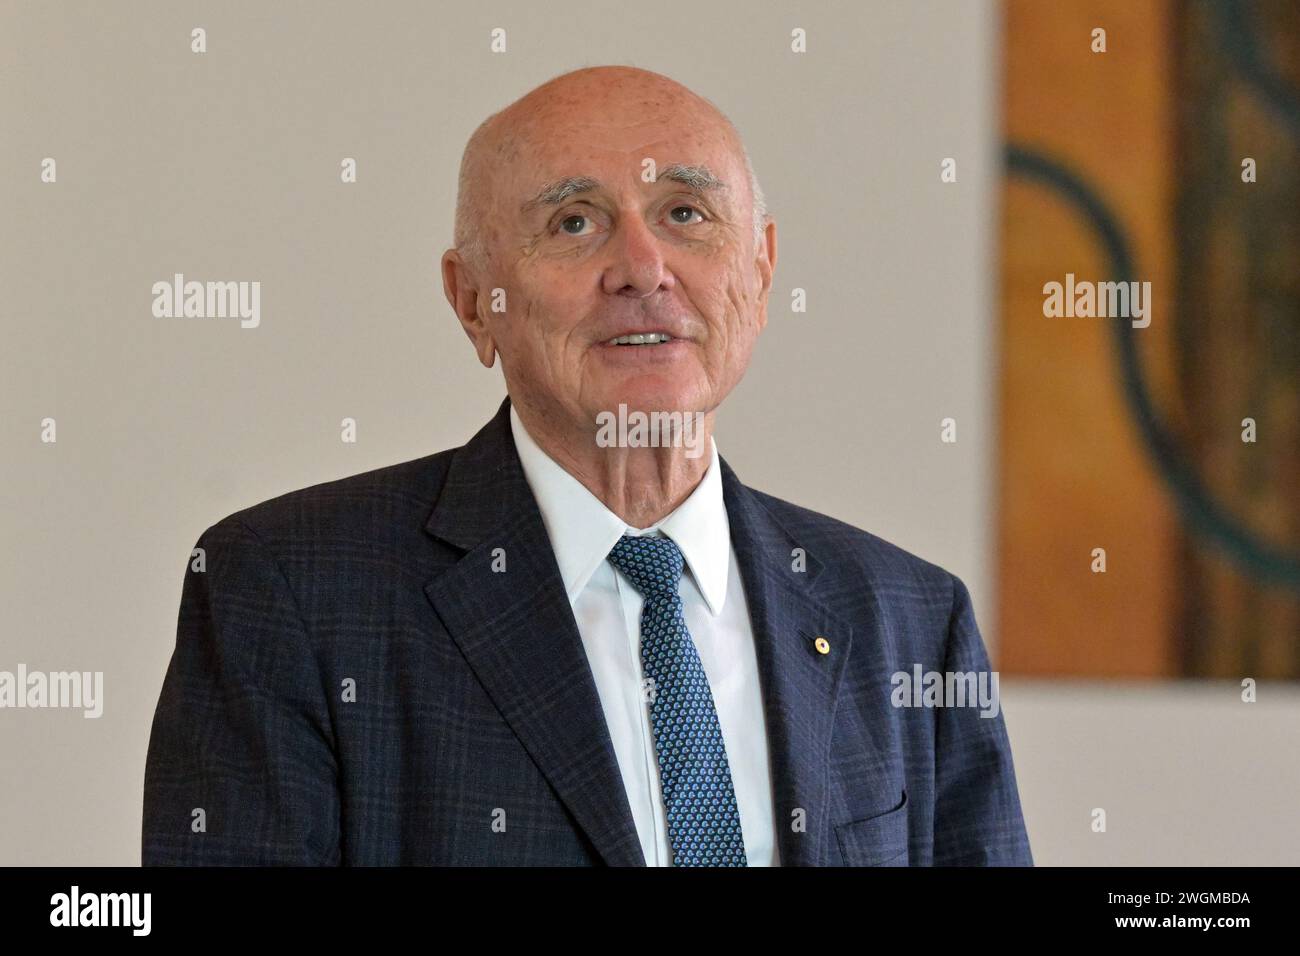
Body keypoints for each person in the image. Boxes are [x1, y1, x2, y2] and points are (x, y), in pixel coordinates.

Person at [143, 65, 1032, 866]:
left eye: (686, 214)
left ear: (760, 272)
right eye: (574, 223)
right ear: (471, 301)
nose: (643, 269)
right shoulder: (290, 594)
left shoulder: (911, 618)